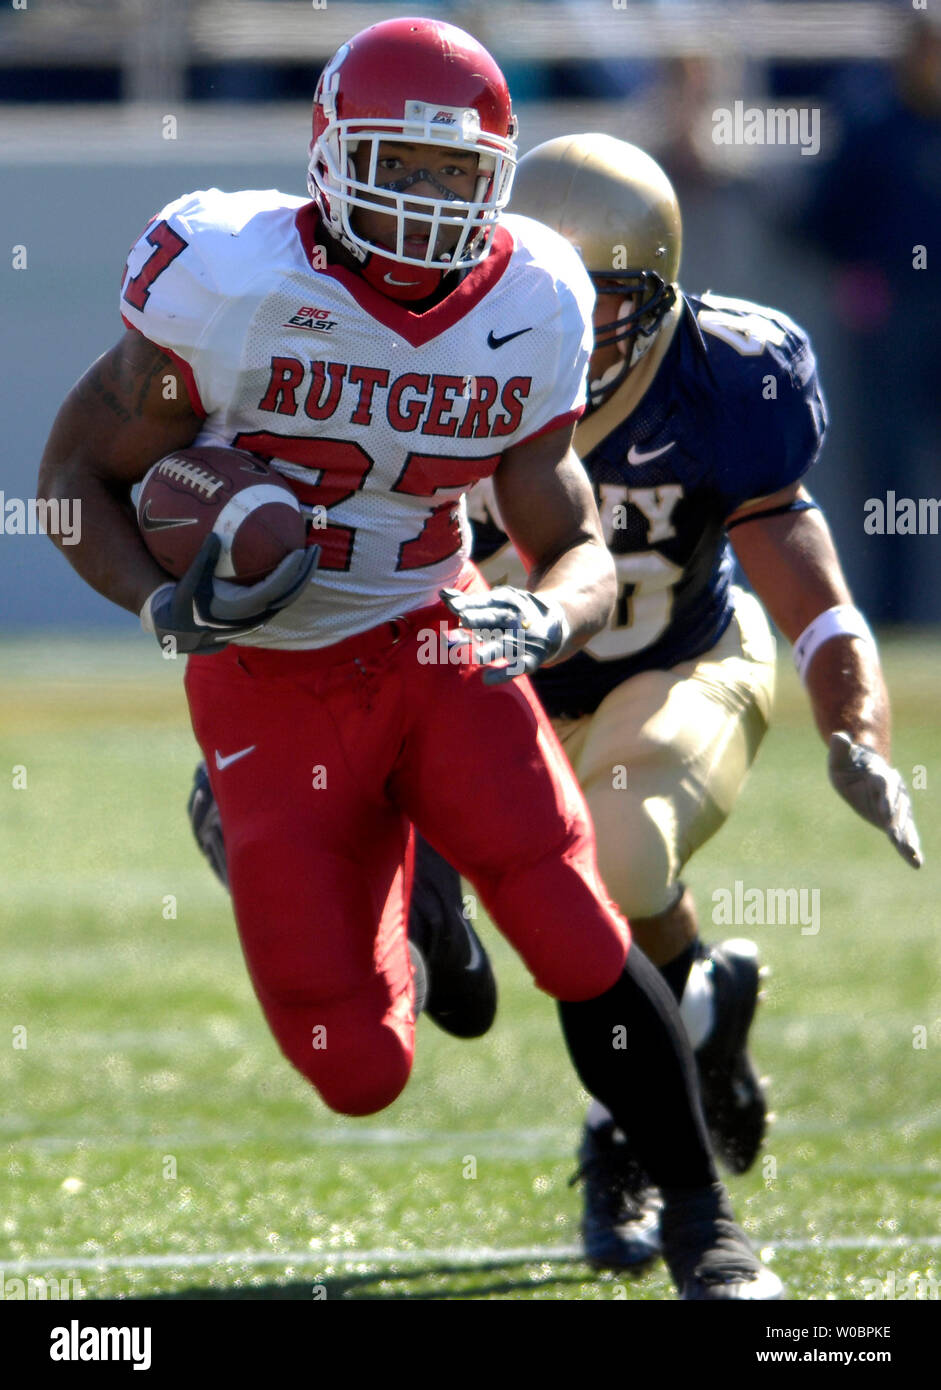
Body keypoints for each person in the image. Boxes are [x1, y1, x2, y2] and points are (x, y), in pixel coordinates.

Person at [38, 18, 785, 1299]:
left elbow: (569, 531)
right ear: (330, 155)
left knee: (569, 921)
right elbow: (69, 482)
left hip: (434, 633)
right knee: (360, 1070)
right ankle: (300, 845)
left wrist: (549, 614)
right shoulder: (223, 272)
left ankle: (703, 1226)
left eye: (458, 176)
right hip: (266, 677)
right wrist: (161, 608)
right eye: (399, 164)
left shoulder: (531, 294)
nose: (429, 202)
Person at [445, 132, 924, 1268]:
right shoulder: (439, 359)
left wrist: (851, 724)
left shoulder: (726, 373)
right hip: (503, 692)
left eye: (592, 298)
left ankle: (629, 1130)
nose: (559, 326)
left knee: (608, 863)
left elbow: (807, 590)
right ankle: (698, 1003)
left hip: (679, 662)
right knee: (552, 906)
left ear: (657, 293)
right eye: (531, 285)